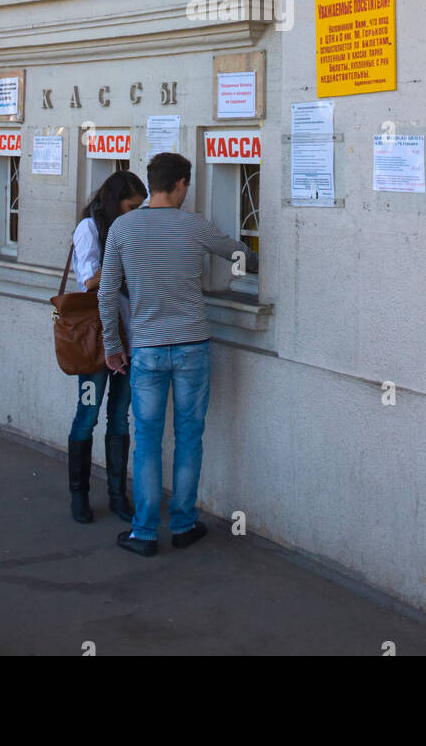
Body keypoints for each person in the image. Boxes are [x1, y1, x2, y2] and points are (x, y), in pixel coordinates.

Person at [98, 152, 259, 556]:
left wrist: (112, 346)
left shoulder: (122, 227)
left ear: (152, 185)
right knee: (189, 436)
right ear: (182, 184)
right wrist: (252, 256)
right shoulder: (194, 226)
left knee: (148, 440)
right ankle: (185, 525)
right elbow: (240, 255)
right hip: (191, 346)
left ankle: (144, 533)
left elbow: (106, 293)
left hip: (148, 348)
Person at [67, 169, 147, 524]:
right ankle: (79, 494)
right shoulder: (88, 229)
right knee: (88, 415)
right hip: (95, 341)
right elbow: (89, 279)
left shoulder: (129, 229)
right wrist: (123, 257)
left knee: (120, 416)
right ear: (116, 203)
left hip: (130, 336)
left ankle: (117, 494)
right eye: (131, 207)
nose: (135, 214)